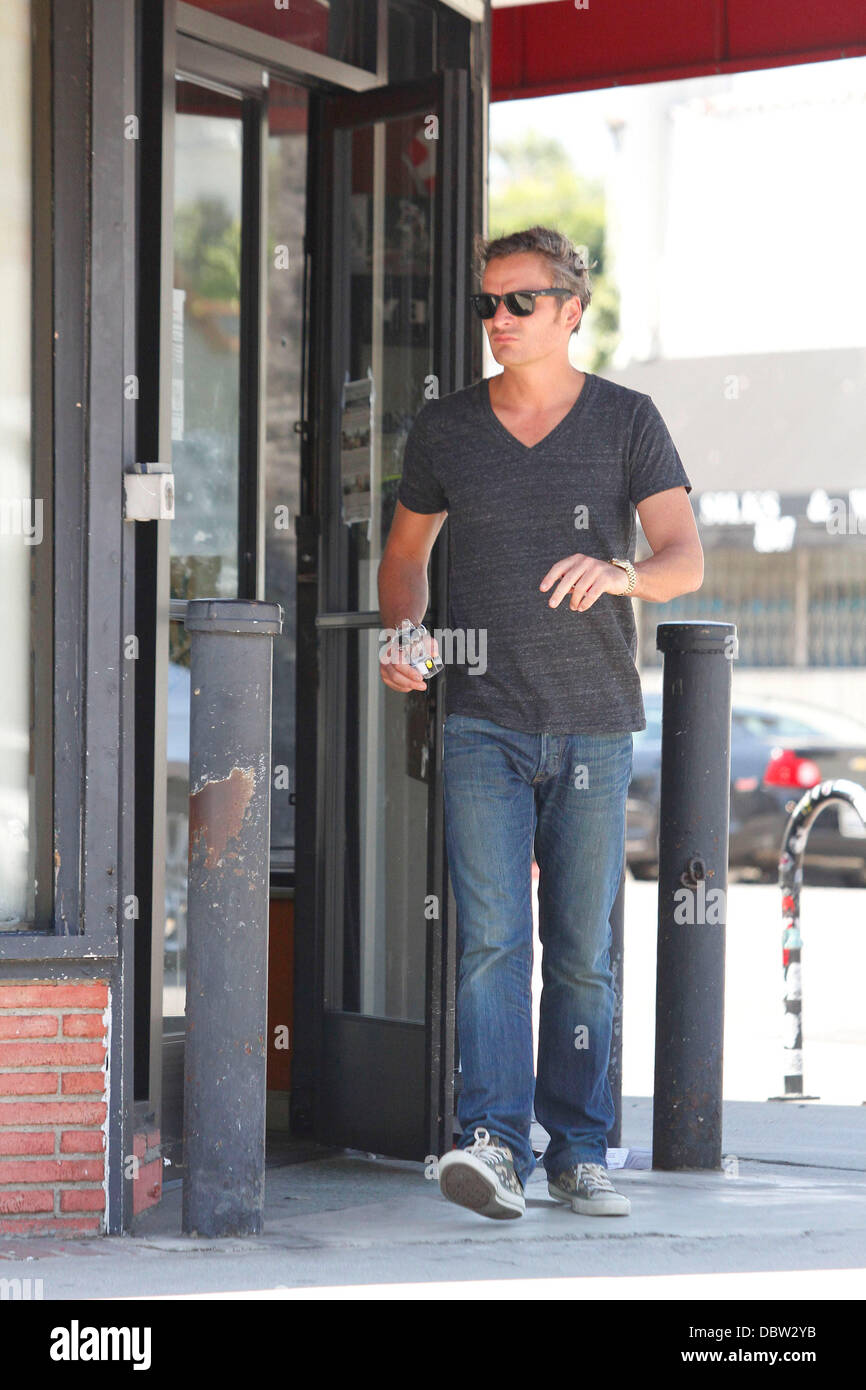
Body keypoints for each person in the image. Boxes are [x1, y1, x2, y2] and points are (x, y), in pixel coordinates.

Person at [378, 225, 703, 1220]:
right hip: (479, 715)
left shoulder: (625, 420)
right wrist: (405, 631)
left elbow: (683, 555)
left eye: (519, 301)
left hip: (595, 722)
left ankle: (579, 1149)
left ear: (570, 309)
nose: (498, 321)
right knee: (488, 943)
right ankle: (494, 1145)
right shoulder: (445, 430)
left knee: (579, 951)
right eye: (486, 303)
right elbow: (405, 556)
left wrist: (622, 572)